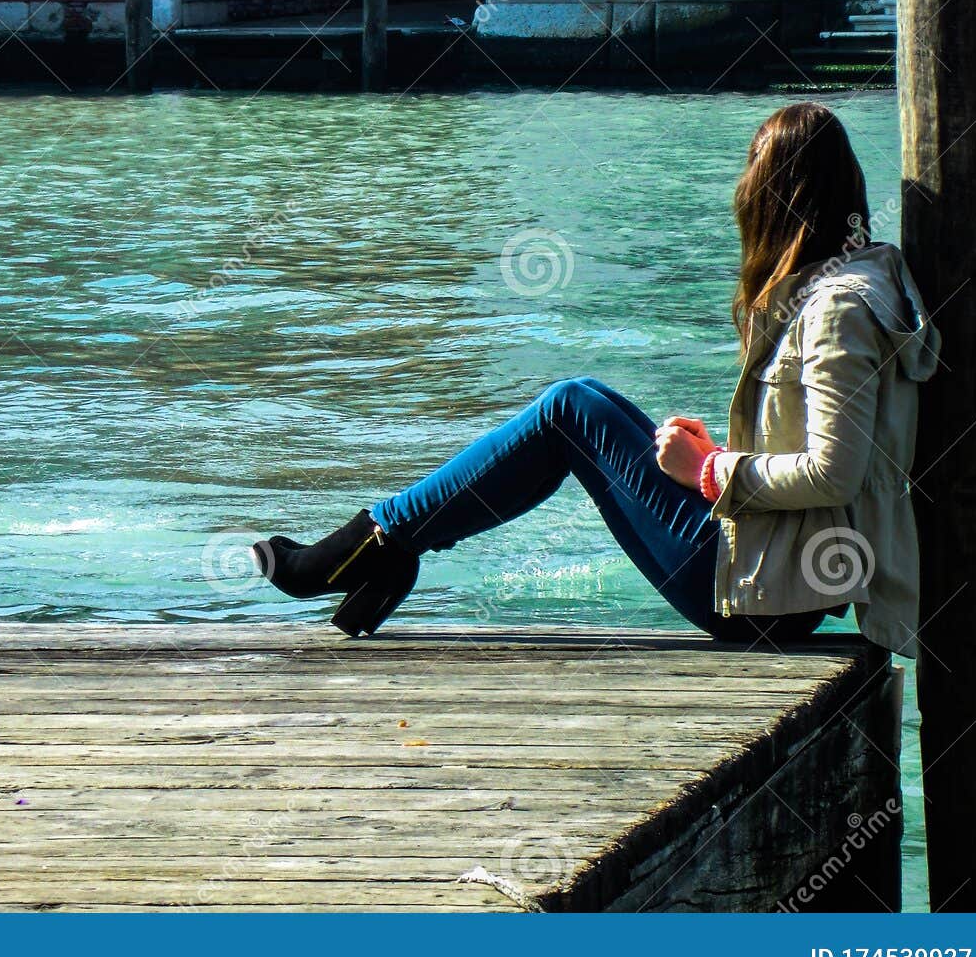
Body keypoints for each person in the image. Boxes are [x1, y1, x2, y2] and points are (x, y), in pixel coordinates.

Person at [252, 102, 941, 657]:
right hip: (780, 575)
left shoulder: (836, 311)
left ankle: (366, 550)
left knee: (569, 409)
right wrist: (706, 459)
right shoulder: (856, 284)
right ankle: (386, 546)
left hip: (757, 595)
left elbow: (834, 474)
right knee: (586, 403)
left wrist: (711, 470)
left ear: (776, 198)